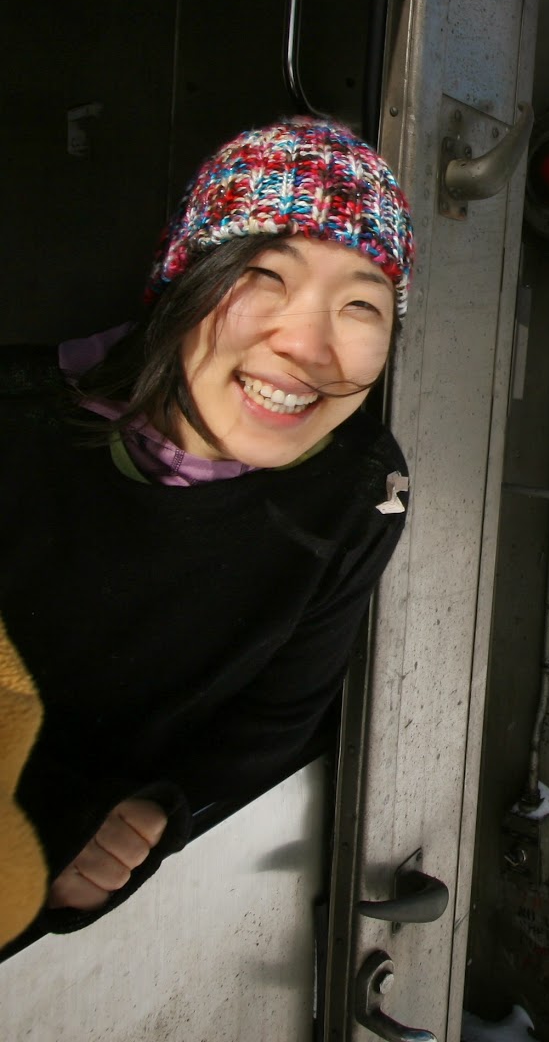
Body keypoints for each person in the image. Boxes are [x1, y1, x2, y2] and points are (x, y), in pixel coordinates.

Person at [0, 116, 414, 944]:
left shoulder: (358, 492)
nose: (307, 345)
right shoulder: (16, 435)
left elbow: (276, 720)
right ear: (182, 283)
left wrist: (155, 812)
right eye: (264, 274)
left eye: (363, 302)